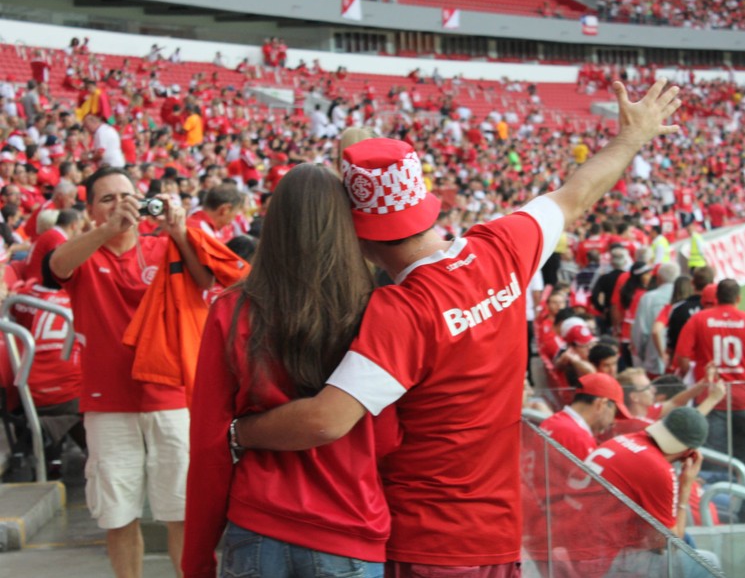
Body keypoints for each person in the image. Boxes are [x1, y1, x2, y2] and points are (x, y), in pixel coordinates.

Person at [235, 79, 682, 575]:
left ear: (358, 237)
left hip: (428, 544)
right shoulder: (502, 245)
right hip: (500, 535)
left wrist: (239, 431)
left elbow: (325, 420)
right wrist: (631, 137)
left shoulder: (401, 311)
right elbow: (577, 195)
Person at [182, 164, 390, 578]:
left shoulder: (232, 310)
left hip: (257, 525)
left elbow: (209, 444)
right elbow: (388, 438)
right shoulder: (378, 310)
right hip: (349, 527)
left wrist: (196, 559)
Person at [48, 166, 214, 578]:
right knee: (118, 516)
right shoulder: (87, 253)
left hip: (171, 396)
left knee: (181, 513)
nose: (121, 205)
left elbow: (205, 278)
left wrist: (177, 230)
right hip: (109, 404)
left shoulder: (164, 247)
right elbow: (56, 266)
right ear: (90, 211)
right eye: (108, 199)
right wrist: (106, 230)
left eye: (128, 196)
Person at [674, 279, 745, 476]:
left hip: (711, 400)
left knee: (714, 457)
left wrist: (694, 378)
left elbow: (682, 357)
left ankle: (716, 504)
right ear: (738, 298)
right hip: (743, 400)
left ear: (717, 297)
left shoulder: (699, 320)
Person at [582, 407, 714, 576]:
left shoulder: (622, 440)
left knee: (687, 540)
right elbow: (671, 544)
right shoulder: (660, 470)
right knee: (707, 562)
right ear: (688, 453)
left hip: (583, 539)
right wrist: (686, 485)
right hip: (600, 557)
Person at [539, 372, 630, 459]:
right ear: (601, 404)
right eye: (615, 412)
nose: (613, 421)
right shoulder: (578, 438)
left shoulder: (551, 421)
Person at [631, 262, 679, 376]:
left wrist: (643, 355)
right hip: (678, 363)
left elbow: (640, 331)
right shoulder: (685, 298)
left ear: (659, 278)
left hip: (653, 361)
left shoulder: (648, 298)